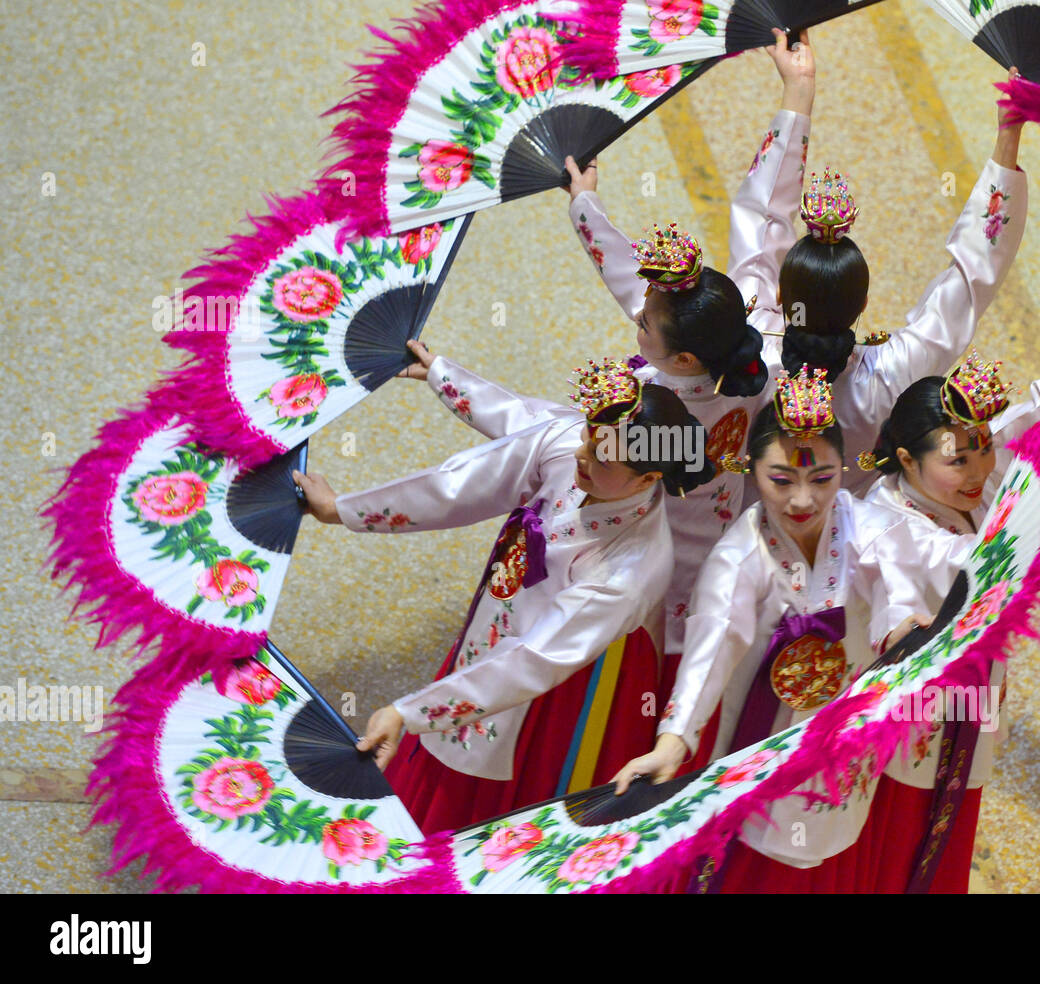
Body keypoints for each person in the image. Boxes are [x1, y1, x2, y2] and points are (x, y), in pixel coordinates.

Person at [292, 361, 715, 831]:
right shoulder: (580, 450)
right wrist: (438, 373)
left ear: (648, 479)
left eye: (603, 459)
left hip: (567, 666)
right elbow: (470, 475)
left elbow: (532, 661)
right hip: (505, 624)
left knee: (496, 767)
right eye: (588, 441)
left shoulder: (632, 568)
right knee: (475, 672)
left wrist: (408, 711)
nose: (582, 457)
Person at [562, 30, 813, 756]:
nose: (637, 319)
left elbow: (572, 454)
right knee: (694, 692)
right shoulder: (755, 351)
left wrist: (584, 203)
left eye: (646, 323)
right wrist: (797, 93)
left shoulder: (642, 415)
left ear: (682, 353)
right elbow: (769, 217)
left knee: (617, 699)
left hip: (638, 560)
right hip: (724, 561)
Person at [853, 279, 1040, 892]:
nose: (982, 471)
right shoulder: (887, 524)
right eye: (960, 460)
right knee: (892, 842)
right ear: (906, 460)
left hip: (973, 693)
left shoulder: (967, 470)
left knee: (948, 832)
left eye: (984, 451)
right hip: (907, 711)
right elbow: (934, 578)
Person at [611, 367, 919, 892]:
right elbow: (710, 649)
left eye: (822, 478)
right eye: (781, 480)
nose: (803, 500)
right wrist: (673, 740)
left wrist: (904, 627)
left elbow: (896, 581)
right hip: (753, 738)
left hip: (838, 737)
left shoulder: (869, 526)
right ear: (751, 470)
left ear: (843, 469)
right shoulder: (738, 557)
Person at [778, 67, 1030, 496]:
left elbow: (760, 214)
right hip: (862, 542)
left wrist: (798, 88)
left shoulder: (749, 365)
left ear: (780, 297)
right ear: (863, 304)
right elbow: (971, 279)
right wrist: (1008, 134)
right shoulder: (892, 371)